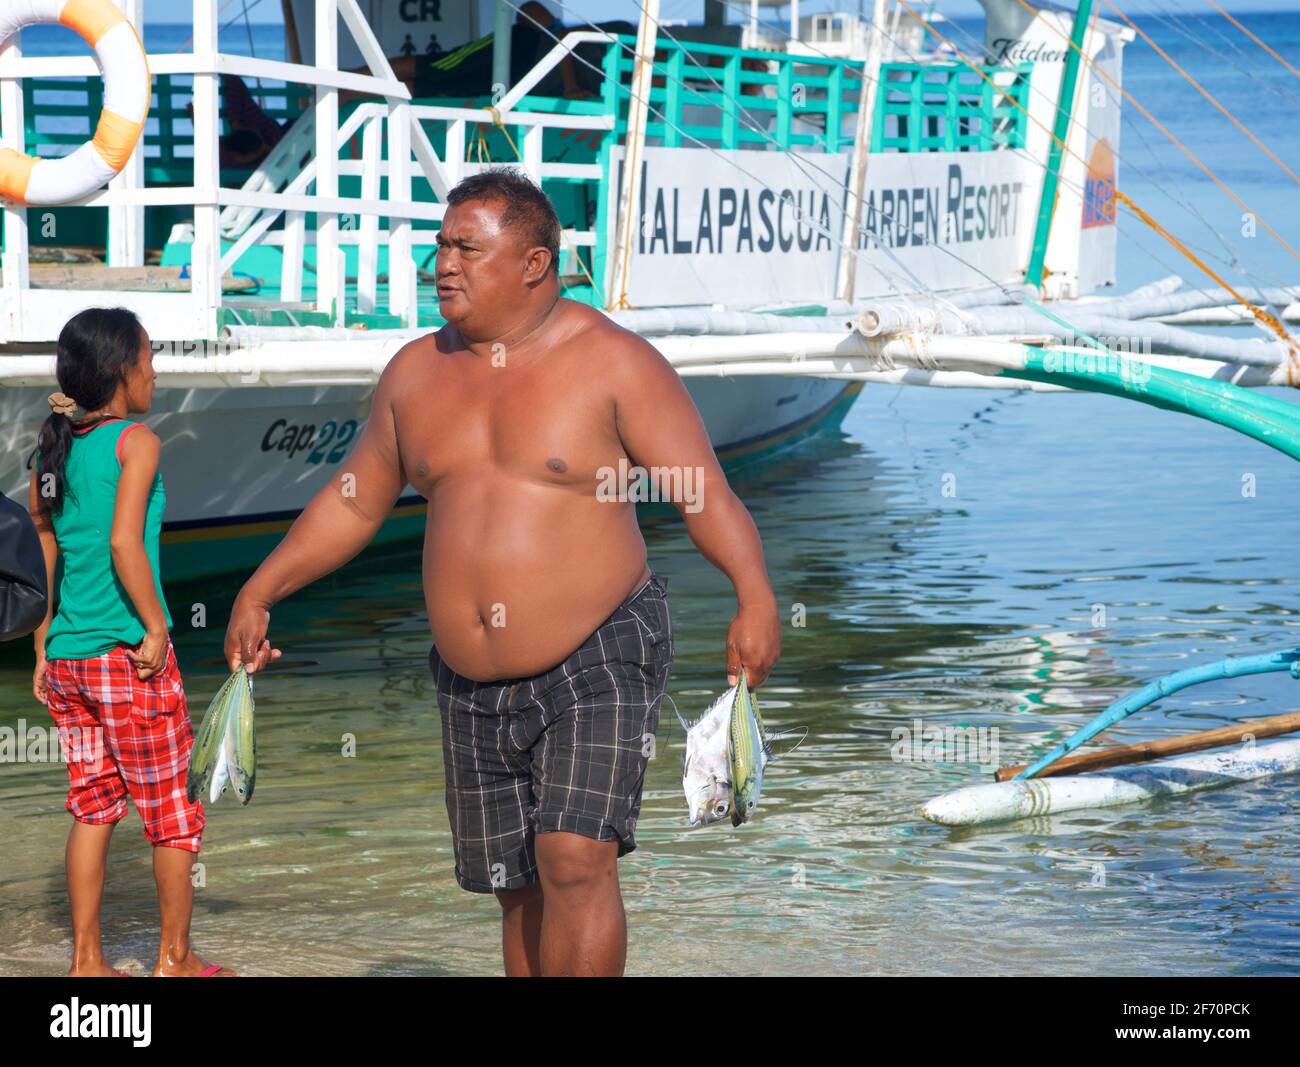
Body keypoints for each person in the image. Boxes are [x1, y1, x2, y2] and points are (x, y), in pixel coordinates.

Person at [223, 168, 781, 977]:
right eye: (441, 244)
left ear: (534, 263)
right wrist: (260, 587)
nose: (442, 263)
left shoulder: (616, 364)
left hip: (600, 648)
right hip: (467, 678)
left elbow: (703, 494)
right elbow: (352, 501)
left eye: (466, 248)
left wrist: (754, 593)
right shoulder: (415, 374)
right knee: (514, 885)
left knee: (573, 858)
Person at [29, 308, 233, 978]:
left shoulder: (51, 447)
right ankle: (173, 959)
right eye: (147, 358)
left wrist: (40, 648)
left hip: (66, 658)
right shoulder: (135, 440)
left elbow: (42, 551)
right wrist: (154, 625)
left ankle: (87, 961)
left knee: (93, 806)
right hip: (125, 654)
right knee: (174, 813)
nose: (155, 369)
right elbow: (123, 542)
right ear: (119, 371)